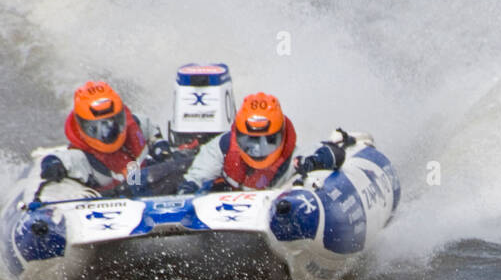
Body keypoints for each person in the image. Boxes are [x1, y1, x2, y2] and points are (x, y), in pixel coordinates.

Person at [178, 91, 352, 193]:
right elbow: (193, 181)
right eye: (250, 141)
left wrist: (312, 162)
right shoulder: (221, 148)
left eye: (268, 141)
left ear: (281, 136)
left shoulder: (294, 157)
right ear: (238, 135)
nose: (258, 150)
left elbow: (334, 153)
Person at [39, 80, 175, 195]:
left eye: (112, 123)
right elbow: (62, 160)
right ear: (82, 126)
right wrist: (52, 164)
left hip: (151, 190)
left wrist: (160, 146)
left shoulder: (136, 125)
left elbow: (151, 131)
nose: (108, 133)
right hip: (114, 208)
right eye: (96, 128)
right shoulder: (81, 157)